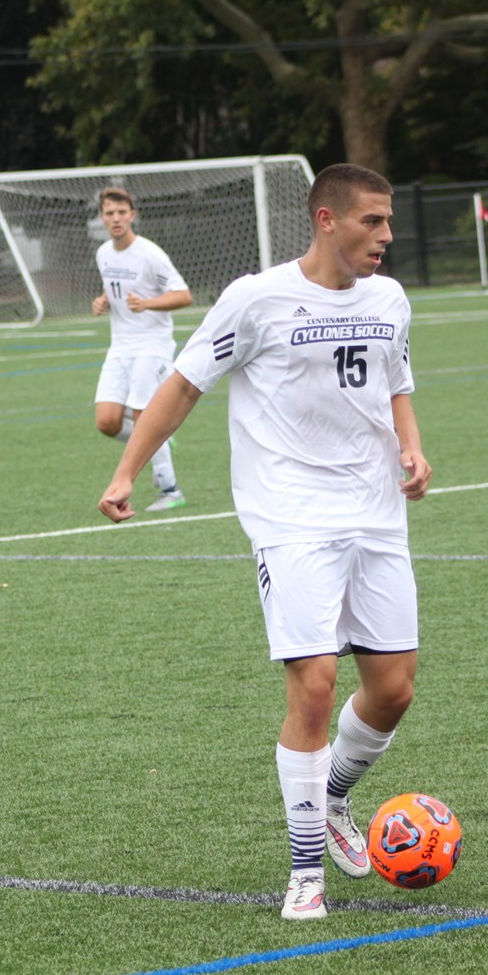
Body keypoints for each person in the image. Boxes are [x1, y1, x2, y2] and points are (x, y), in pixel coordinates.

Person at [98, 164, 431, 920]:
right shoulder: (256, 299)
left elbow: (397, 383)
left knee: (394, 689)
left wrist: (413, 448)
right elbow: (181, 385)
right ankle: (305, 873)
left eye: (387, 222)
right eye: (370, 222)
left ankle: (335, 796)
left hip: (377, 515)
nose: (385, 235)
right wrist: (127, 470)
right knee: (314, 682)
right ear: (325, 220)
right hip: (290, 519)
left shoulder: (390, 298)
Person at [91, 186, 194, 511]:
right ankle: (158, 440)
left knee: (140, 415)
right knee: (107, 422)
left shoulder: (150, 253)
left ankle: (170, 490)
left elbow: (184, 295)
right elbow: (117, 289)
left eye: (122, 212)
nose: (116, 218)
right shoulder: (103, 253)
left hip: (153, 345)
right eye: (110, 213)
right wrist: (105, 301)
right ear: (103, 218)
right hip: (120, 346)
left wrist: (148, 303)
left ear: (132, 215)